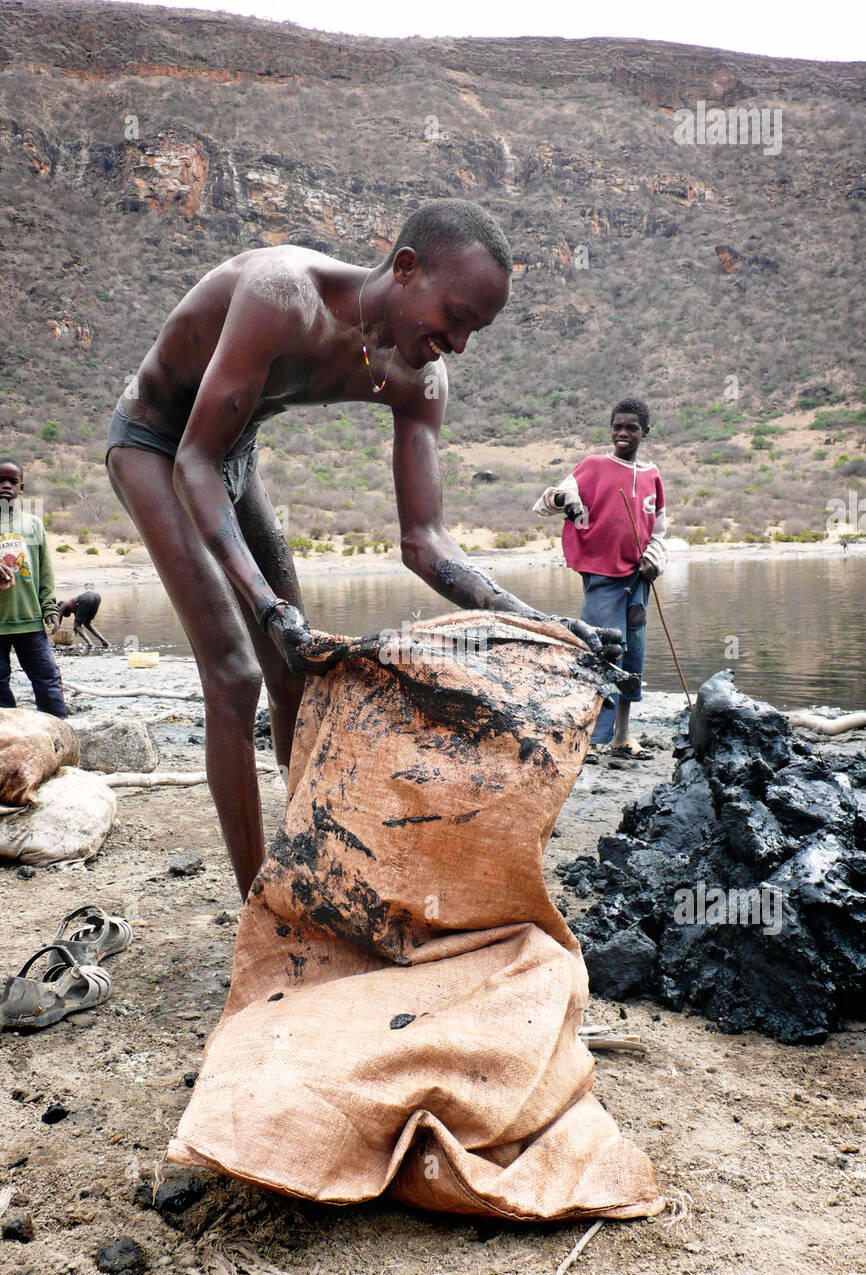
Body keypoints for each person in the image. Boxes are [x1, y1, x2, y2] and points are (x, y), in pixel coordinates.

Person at [105, 199, 622, 899]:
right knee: (234, 671)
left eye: (478, 329)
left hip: (231, 451)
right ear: (405, 269)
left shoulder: (422, 378)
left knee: (296, 670)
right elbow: (193, 460)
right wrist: (263, 605)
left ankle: (300, 865)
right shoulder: (282, 297)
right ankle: (260, 901)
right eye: (458, 316)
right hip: (157, 442)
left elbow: (425, 542)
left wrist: (539, 624)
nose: (461, 343)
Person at [533, 398, 667, 751]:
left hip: (638, 579)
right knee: (602, 653)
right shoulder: (591, 467)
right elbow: (548, 503)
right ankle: (590, 739)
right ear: (610, 430)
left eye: (631, 428)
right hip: (602, 576)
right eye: (617, 427)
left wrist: (654, 558)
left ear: (645, 432)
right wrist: (563, 500)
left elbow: (659, 530)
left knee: (633, 654)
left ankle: (622, 735)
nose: (623, 434)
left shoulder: (652, 475)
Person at [0, 460, 67, 718]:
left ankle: (58, 733)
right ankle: (8, 739)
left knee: (46, 679)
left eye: (12, 481)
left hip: (29, 621)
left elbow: (45, 571)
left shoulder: (33, 524)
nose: (5, 485)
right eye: (0, 480)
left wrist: (49, 607)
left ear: (21, 487)